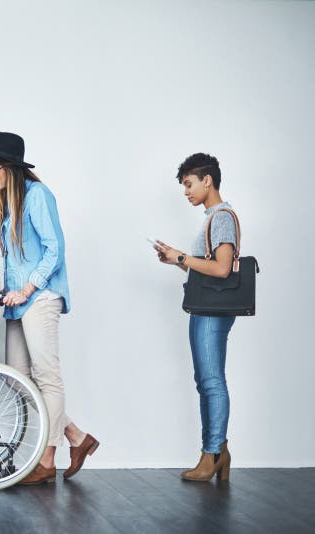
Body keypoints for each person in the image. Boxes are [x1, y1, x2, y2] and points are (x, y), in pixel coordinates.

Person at [0, 131, 99, 485]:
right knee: (18, 379)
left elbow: (54, 249)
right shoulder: (9, 203)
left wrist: (26, 288)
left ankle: (46, 461)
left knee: (46, 377)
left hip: (40, 298)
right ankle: (76, 437)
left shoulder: (38, 195)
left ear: (10, 168)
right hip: (18, 301)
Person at [153, 153, 238, 481]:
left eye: (189, 184)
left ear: (208, 180)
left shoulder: (221, 217)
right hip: (205, 308)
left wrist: (182, 256)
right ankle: (217, 451)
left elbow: (221, 268)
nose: (186, 191)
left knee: (212, 381)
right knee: (206, 381)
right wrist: (177, 260)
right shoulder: (212, 218)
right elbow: (208, 265)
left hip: (211, 311)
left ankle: (213, 453)